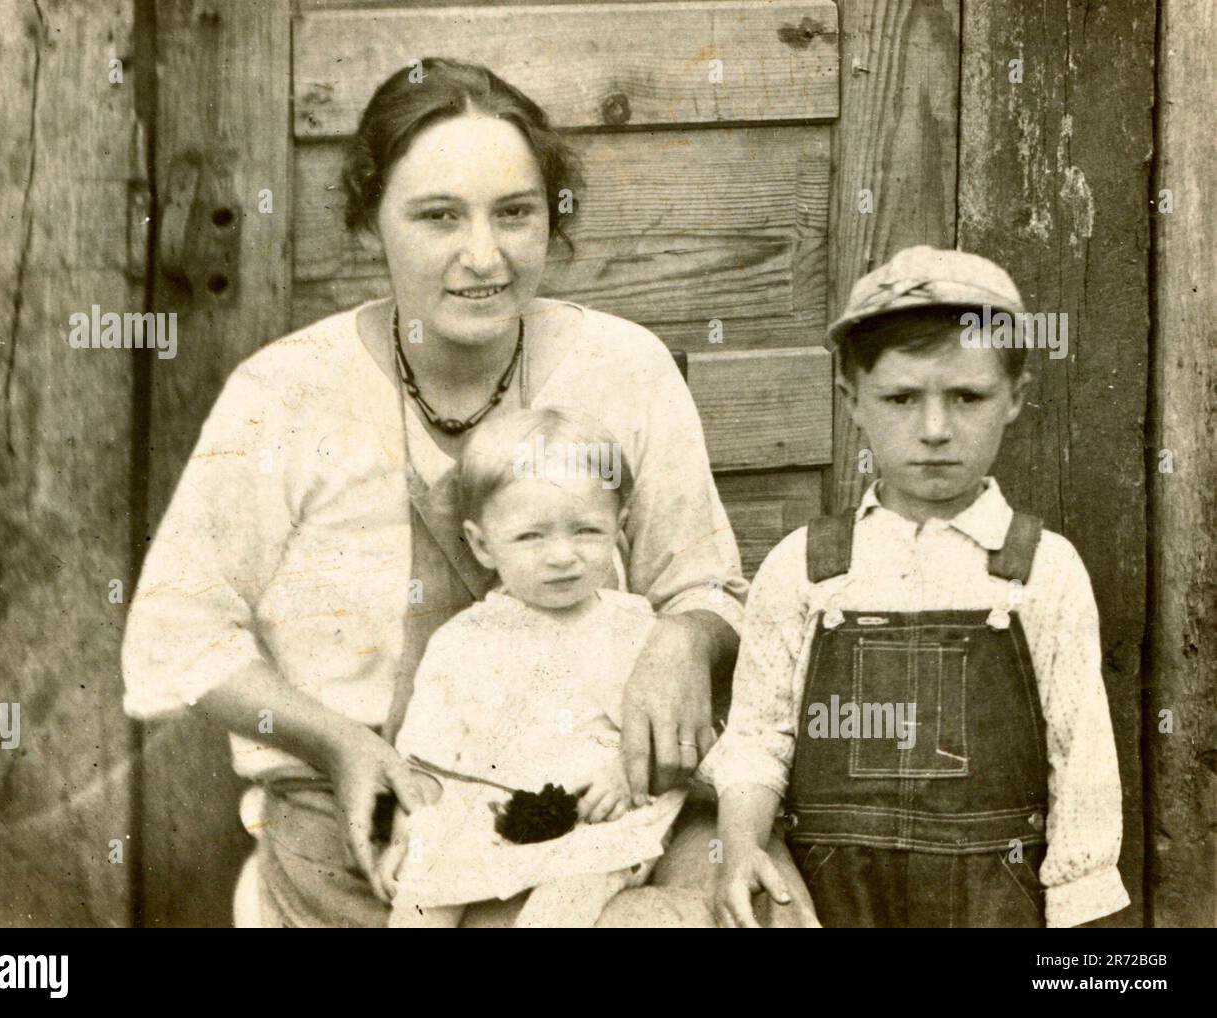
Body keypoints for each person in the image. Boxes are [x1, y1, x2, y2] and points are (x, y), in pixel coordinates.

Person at [121, 57, 753, 927]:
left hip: (603, 822)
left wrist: (687, 636)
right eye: (438, 217)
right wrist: (338, 746)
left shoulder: (624, 369)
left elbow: (704, 579)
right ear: (370, 221)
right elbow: (176, 632)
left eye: (515, 214)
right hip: (367, 828)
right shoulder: (288, 393)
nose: (483, 256)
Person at [703, 246, 1131, 928]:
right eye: (901, 398)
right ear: (853, 401)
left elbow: (1080, 763)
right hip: (833, 899)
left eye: (967, 396)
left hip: (996, 900)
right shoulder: (809, 570)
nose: (934, 430)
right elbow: (759, 736)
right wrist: (742, 847)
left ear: (1015, 397)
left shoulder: (1040, 571)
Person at [380, 407, 691, 928]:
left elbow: (669, 732)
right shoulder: (462, 640)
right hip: (486, 815)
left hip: (596, 820)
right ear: (482, 544)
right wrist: (405, 838)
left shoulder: (635, 632)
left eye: (587, 530)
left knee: (562, 905)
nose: (562, 555)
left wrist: (627, 771)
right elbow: (426, 756)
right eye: (531, 537)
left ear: (619, 527)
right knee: (418, 900)